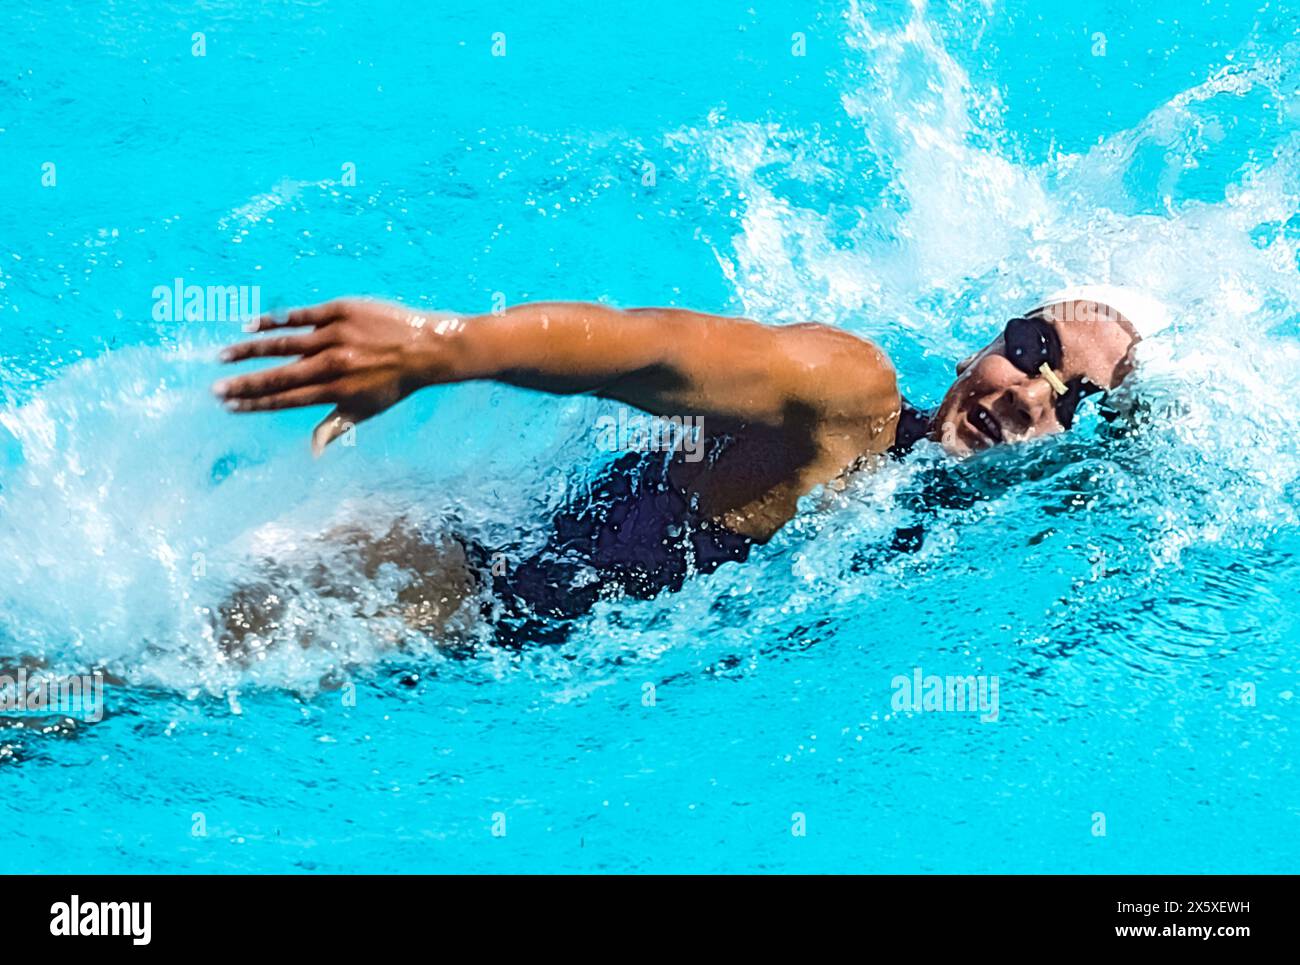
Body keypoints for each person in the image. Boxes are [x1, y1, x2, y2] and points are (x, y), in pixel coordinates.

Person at [212, 285, 1162, 645]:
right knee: (114, 686)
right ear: (975, 349)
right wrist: (450, 347)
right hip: (445, 586)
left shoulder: (963, 525)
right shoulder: (850, 396)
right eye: (1032, 348)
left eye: (1074, 399)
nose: (1032, 394)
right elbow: (651, 350)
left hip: (498, 634)